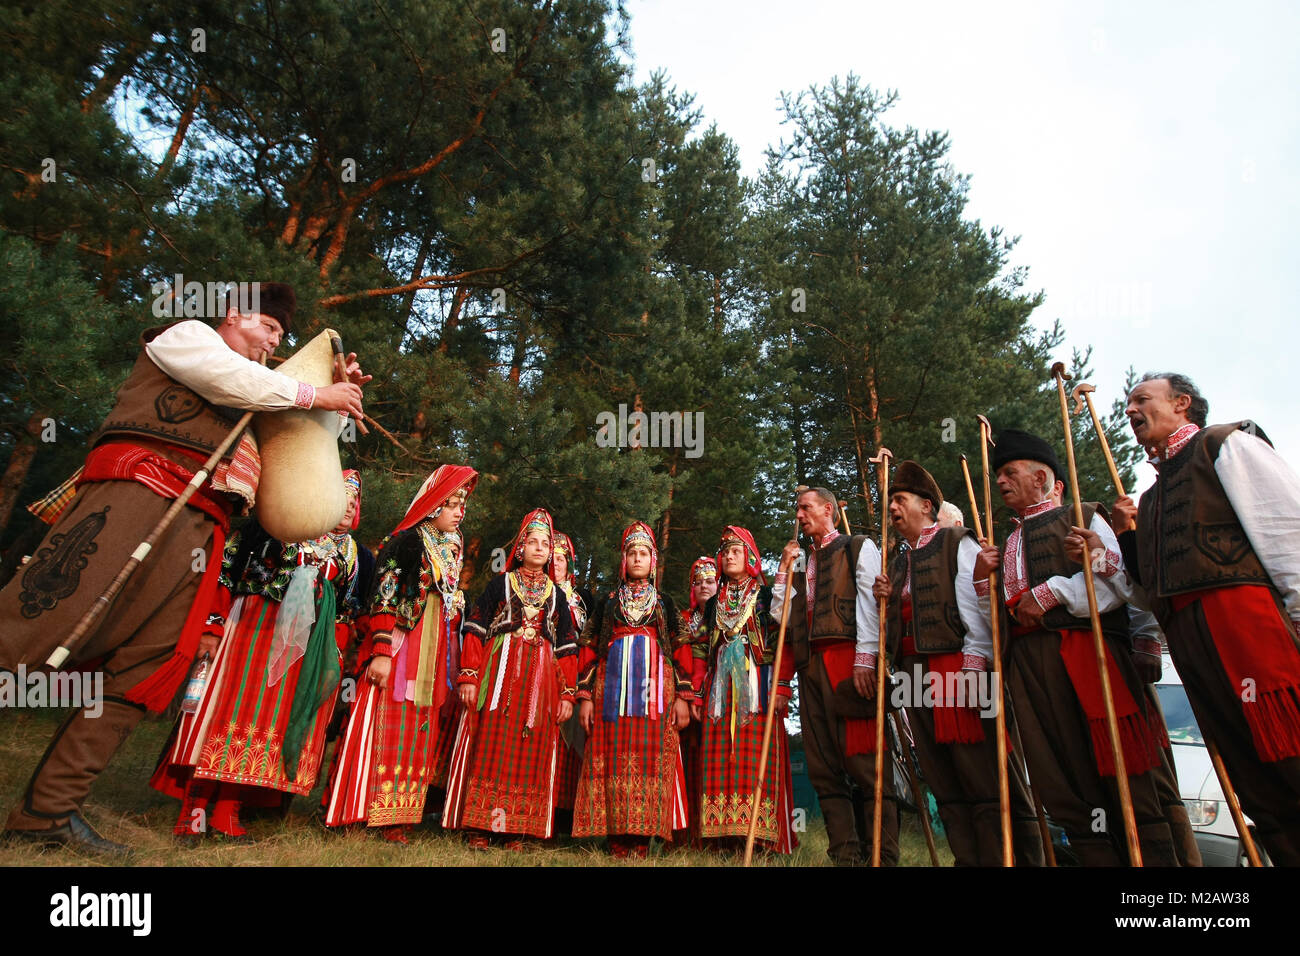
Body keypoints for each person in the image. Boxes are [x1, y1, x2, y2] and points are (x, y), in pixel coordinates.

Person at [0, 284, 367, 855]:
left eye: (279, 335)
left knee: (145, 668)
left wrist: (328, 409)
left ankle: (48, 811)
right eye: (268, 327)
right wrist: (313, 392)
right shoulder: (188, 339)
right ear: (232, 312)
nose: (274, 342)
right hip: (132, 501)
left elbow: (292, 483)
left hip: (199, 532)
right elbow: (237, 380)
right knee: (32, 625)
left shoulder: (265, 397)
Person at [1108, 373, 1300, 864]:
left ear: (1182, 404)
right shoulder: (1149, 501)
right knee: (1257, 787)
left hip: (1248, 635)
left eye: (1141, 399)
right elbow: (1153, 596)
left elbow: (1285, 532)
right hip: (1195, 649)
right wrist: (1111, 550)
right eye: (1128, 402)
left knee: (1291, 763)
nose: (1130, 409)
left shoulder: (1226, 445)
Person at [973, 429, 1178, 865]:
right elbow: (996, 619)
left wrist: (1054, 591)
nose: (1001, 482)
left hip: (1088, 654)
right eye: (999, 475)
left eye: (1011, 472)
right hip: (1027, 667)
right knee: (1058, 776)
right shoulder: (1005, 543)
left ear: (1047, 479)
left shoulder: (1083, 515)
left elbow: (1119, 585)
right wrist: (981, 581)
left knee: (1123, 772)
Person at [151, 471, 369, 841]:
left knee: (272, 723)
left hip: (308, 648)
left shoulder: (356, 555)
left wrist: (332, 652)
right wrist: (212, 627)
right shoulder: (276, 523)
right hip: (253, 628)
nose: (349, 504)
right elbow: (224, 573)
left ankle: (228, 810)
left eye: (355, 499)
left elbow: (349, 610)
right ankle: (195, 809)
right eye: (341, 494)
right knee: (224, 711)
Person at [868, 461, 1042, 866]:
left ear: (927, 505)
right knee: (943, 781)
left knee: (983, 779)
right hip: (914, 679)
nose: (891, 508)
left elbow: (975, 613)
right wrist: (887, 602)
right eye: (890, 501)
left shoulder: (957, 543)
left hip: (959, 674)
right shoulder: (897, 564)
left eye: (900, 500)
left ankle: (1013, 859)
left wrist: (973, 671)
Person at [322, 464, 476, 842]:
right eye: (451, 504)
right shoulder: (407, 541)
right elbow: (384, 594)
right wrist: (380, 650)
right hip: (402, 644)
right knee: (382, 717)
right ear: (433, 504)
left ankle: (398, 817)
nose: (458, 512)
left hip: (434, 650)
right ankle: (357, 808)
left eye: (462, 506)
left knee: (420, 726)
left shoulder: (450, 550)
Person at [772, 486, 899, 866]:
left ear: (828, 510)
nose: (799, 515)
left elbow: (870, 604)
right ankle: (845, 857)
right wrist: (782, 568)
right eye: (797, 509)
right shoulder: (798, 562)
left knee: (865, 764)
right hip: (810, 668)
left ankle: (882, 857)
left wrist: (865, 661)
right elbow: (781, 619)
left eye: (805, 507)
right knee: (824, 767)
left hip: (849, 664)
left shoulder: (858, 547)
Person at [442, 509, 576, 846]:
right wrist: (470, 677)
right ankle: (480, 826)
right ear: (520, 548)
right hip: (499, 674)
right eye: (533, 541)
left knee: (531, 744)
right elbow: (474, 627)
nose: (540, 548)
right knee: (492, 740)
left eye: (546, 543)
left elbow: (567, 648)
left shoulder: (558, 596)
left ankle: (518, 827)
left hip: (541, 682)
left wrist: (567, 694)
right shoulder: (501, 583)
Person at [572, 521, 692, 858]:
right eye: (631, 553)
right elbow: (590, 649)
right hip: (610, 693)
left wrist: (683, 697)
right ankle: (616, 837)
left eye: (644, 553)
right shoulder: (607, 602)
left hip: (656, 695)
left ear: (653, 561)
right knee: (610, 756)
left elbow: (681, 651)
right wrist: (584, 697)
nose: (637, 558)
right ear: (623, 560)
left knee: (651, 757)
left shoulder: (665, 603)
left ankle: (643, 837)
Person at [693, 527, 796, 853]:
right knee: (719, 757)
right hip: (719, 693)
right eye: (724, 552)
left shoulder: (766, 597)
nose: (728, 556)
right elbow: (700, 652)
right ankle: (722, 838)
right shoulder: (713, 605)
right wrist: (696, 693)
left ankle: (760, 839)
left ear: (750, 556)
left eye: (735, 550)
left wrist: (781, 683)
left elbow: (784, 637)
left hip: (758, 687)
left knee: (755, 760)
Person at [551, 531, 592, 833]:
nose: (555, 563)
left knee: (567, 742)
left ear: (570, 566)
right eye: (551, 558)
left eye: (561, 559)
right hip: (534, 668)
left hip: (568, 674)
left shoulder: (578, 600)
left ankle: (562, 815)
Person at [679, 555, 718, 844]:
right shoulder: (682, 619)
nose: (704, 586)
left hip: (719, 694)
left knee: (712, 762)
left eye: (709, 580)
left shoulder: (729, 616)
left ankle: (713, 834)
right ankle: (686, 835)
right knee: (686, 762)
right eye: (698, 582)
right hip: (684, 696)